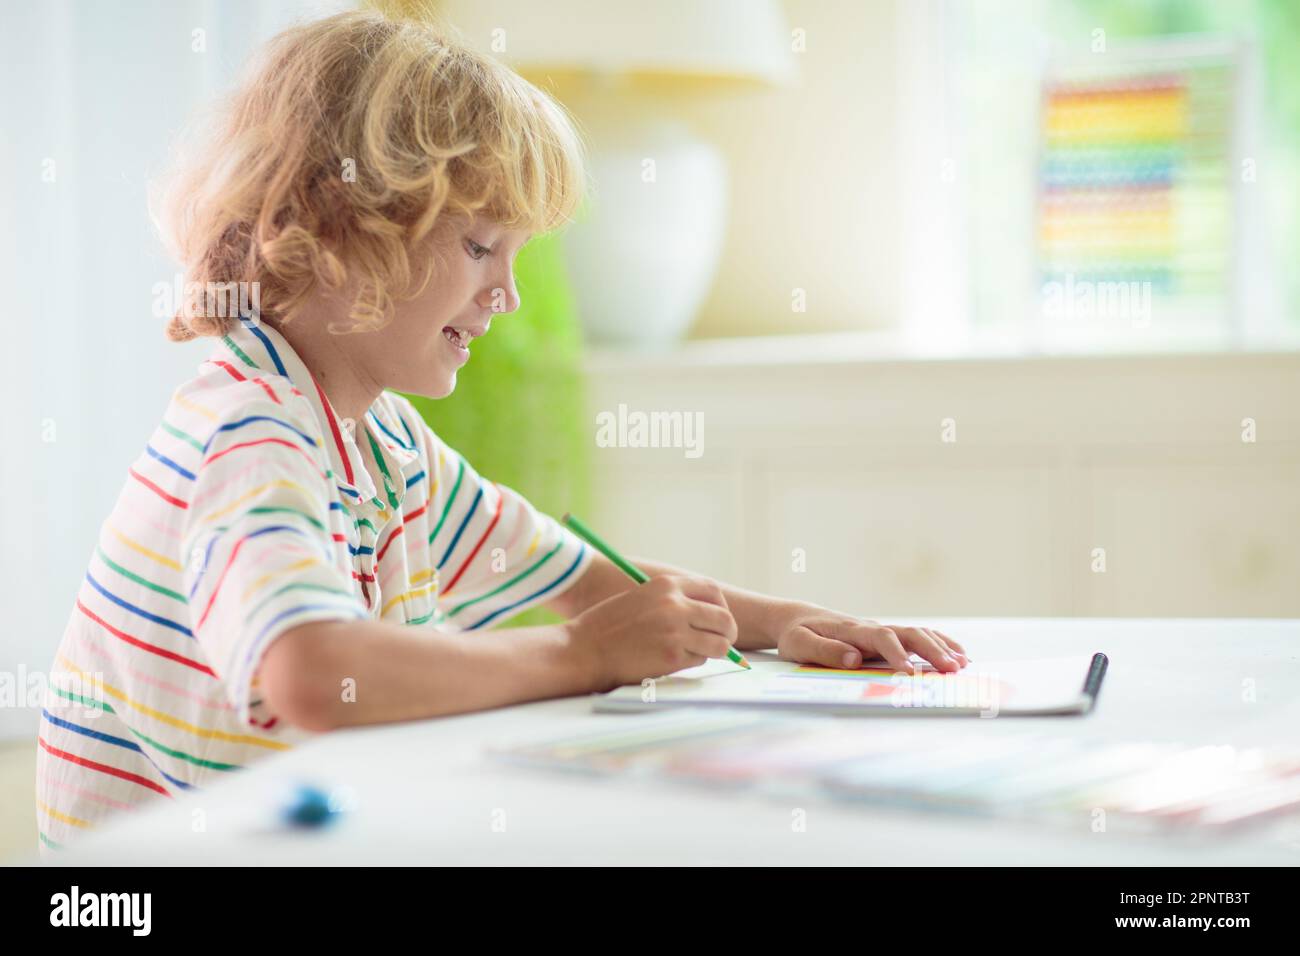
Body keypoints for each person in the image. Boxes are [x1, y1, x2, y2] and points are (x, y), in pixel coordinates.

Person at [35, 6, 966, 853]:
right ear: (334, 231)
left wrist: (783, 622)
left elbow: (587, 579)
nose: (508, 295)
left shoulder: (379, 441)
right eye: (480, 246)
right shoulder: (249, 432)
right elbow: (312, 673)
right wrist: (585, 656)